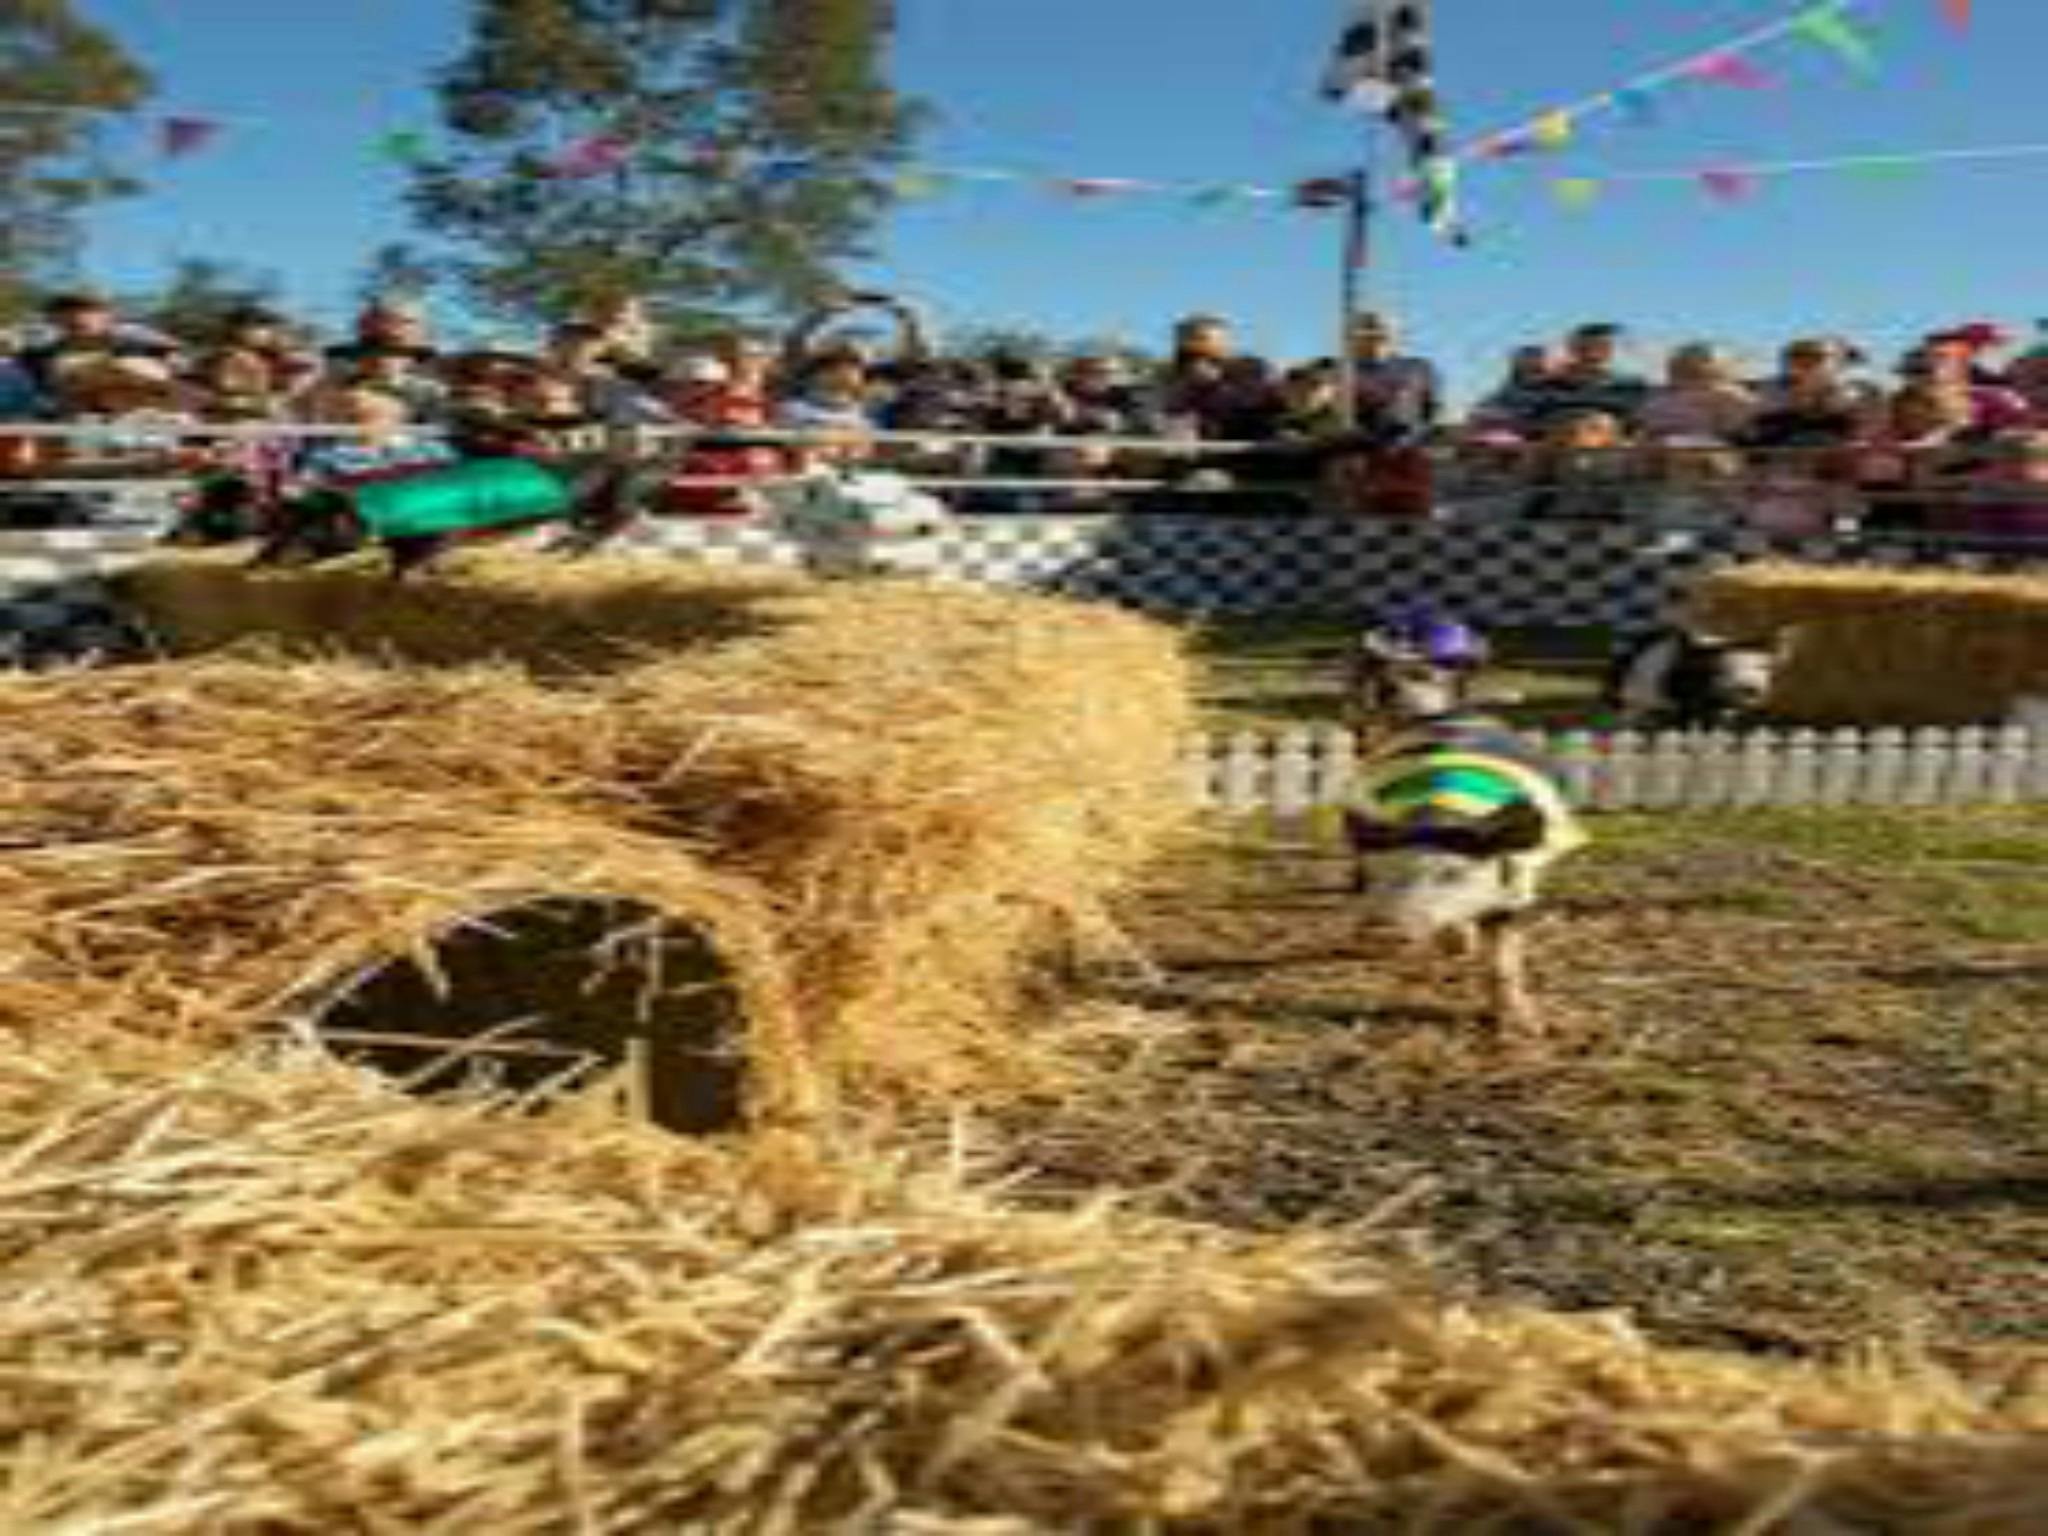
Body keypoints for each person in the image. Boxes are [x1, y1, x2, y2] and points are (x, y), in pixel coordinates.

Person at [1513, 323, 1651, 431]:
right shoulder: (1545, 386)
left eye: (1602, 347)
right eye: (1585, 348)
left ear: (1611, 351)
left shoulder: (1631, 386)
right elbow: (1528, 421)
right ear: (1571, 349)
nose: (1593, 353)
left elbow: (1637, 424)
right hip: (1554, 447)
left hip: (1610, 448)